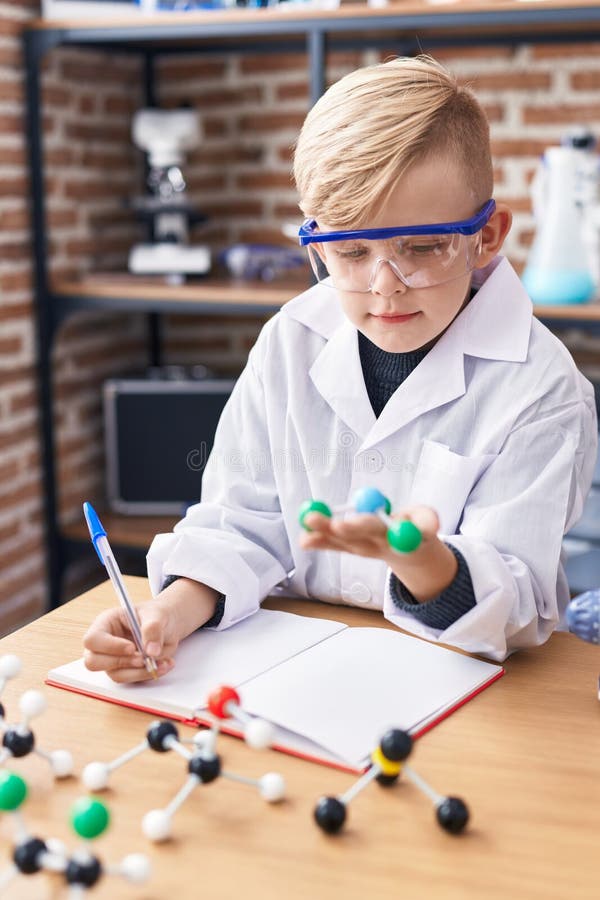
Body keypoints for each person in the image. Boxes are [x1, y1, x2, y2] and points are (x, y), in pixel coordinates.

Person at [83, 56, 597, 679]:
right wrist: (168, 612)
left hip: (456, 683)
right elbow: (240, 524)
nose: (386, 287)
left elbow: (518, 606)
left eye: (422, 247)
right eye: (350, 251)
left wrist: (422, 561)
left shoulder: (543, 387)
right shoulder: (289, 342)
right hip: (289, 670)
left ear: (487, 236)